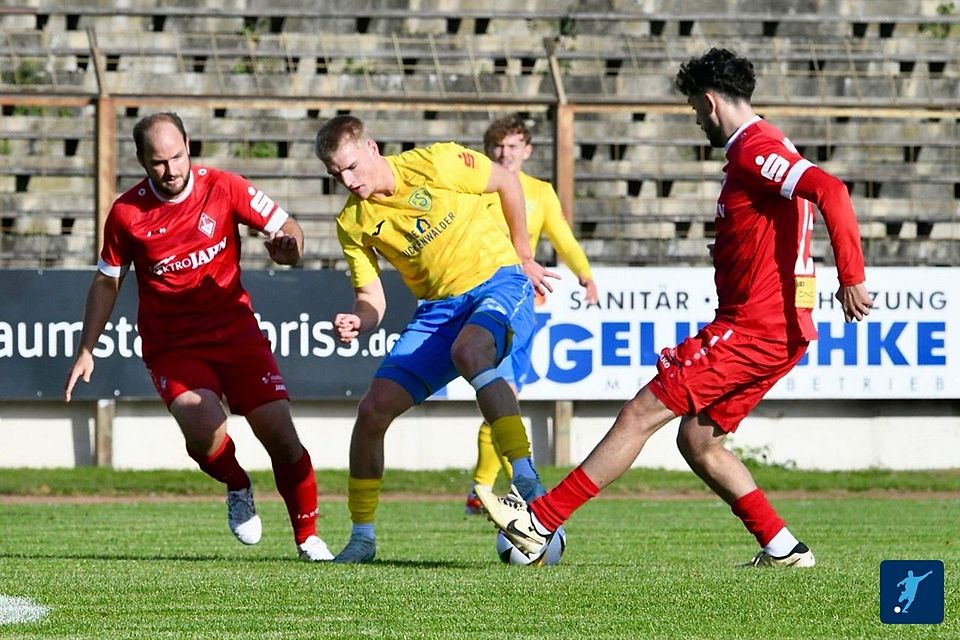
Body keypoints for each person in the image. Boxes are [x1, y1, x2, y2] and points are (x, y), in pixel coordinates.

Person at [477, 48, 874, 567]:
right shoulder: (767, 146)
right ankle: (783, 549)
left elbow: (832, 191)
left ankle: (541, 522)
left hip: (755, 328)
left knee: (642, 411)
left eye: (692, 109)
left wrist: (852, 277)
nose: (695, 119)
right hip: (779, 329)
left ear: (710, 103)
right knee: (699, 440)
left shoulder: (755, 149)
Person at [64, 112, 334, 562]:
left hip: (236, 333)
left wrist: (290, 250)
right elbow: (107, 280)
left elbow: (290, 230)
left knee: (282, 438)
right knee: (202, 427)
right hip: (173, 345)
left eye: (177, 157)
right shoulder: (127, 213)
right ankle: (236, 483)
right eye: (158, 163)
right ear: (140, 161)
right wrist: (86, 349)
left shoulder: (225, 186)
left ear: (188, 144)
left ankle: (308, 538)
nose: (171, 171)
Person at [314, 114, 559, 563]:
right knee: (372, 411)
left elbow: (506, 181)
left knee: (469, 351)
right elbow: (372, 299)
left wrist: (524, 254)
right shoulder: (352, 223)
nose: (347, 180)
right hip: (436, 312)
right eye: (335, 174)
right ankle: (362, 538)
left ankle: (527, 482)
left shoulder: (437, 162)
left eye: (350, 167)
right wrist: (358, 320)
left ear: (372, 148)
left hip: (499, 283)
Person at [463, 115, 599, 515]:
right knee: (503, 393)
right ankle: (511, 485)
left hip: (520, 304)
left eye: (512, 146)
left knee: (505, 395)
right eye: (498, 146)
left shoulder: (540, 193)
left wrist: (585, 274)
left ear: (527, 150)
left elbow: (561, 236)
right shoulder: (474, 187)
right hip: (481, 300)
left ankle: (483, 488)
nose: (504, 153)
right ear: (489, 150)